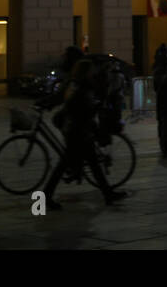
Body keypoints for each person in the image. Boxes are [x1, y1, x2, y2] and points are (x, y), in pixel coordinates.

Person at [41, 60, 128, 209]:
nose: (92, 73)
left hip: (77, 130)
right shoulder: (82, 87)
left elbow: (68, 102)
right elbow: (81, 108)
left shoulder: (75, 85)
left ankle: (108, 194)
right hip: (78, 132)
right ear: (85, 72)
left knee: (92, 164)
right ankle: (45, 198)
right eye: (90, 71)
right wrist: (94, 108)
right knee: (65, 167)